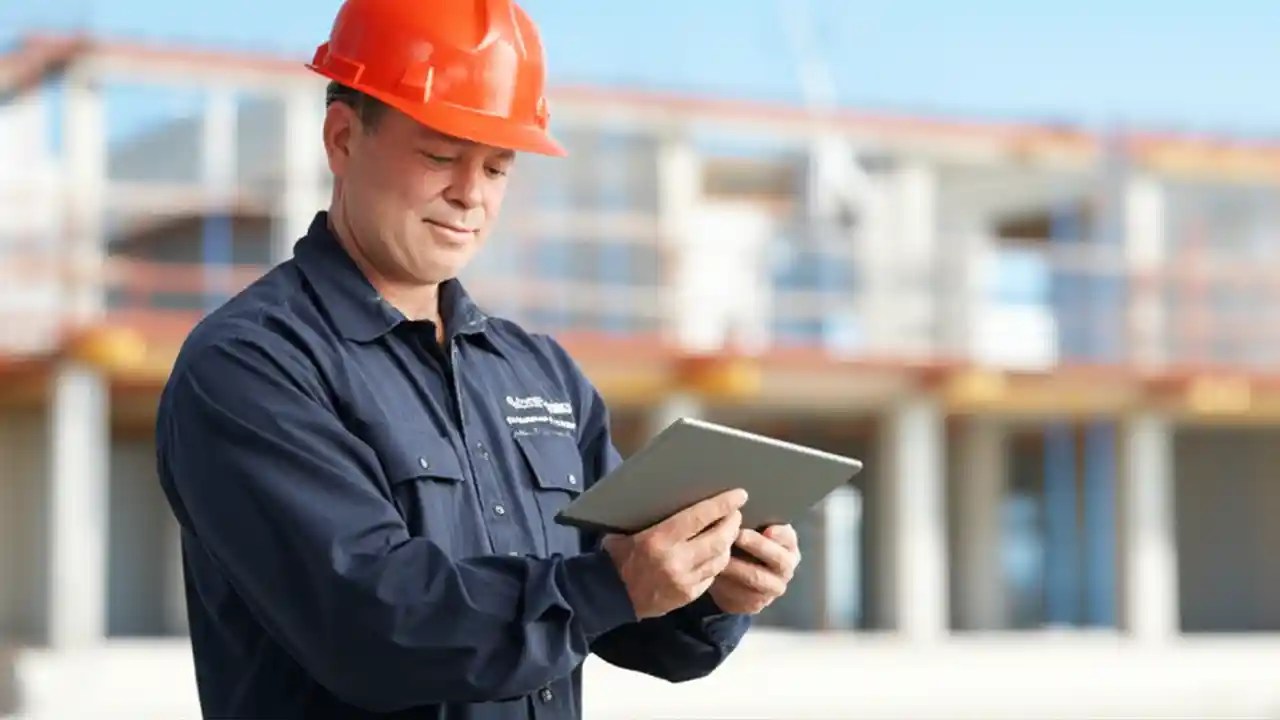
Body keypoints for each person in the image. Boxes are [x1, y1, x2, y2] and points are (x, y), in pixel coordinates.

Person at [154, 0, 803, 717]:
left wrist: (710, 587)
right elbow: (372, 632)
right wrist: (609, 586)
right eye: (440, 155)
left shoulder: (539, 376)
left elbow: (636, 628)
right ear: (342, 137)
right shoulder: (252, 368)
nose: (469, 195)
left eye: (496, 167)